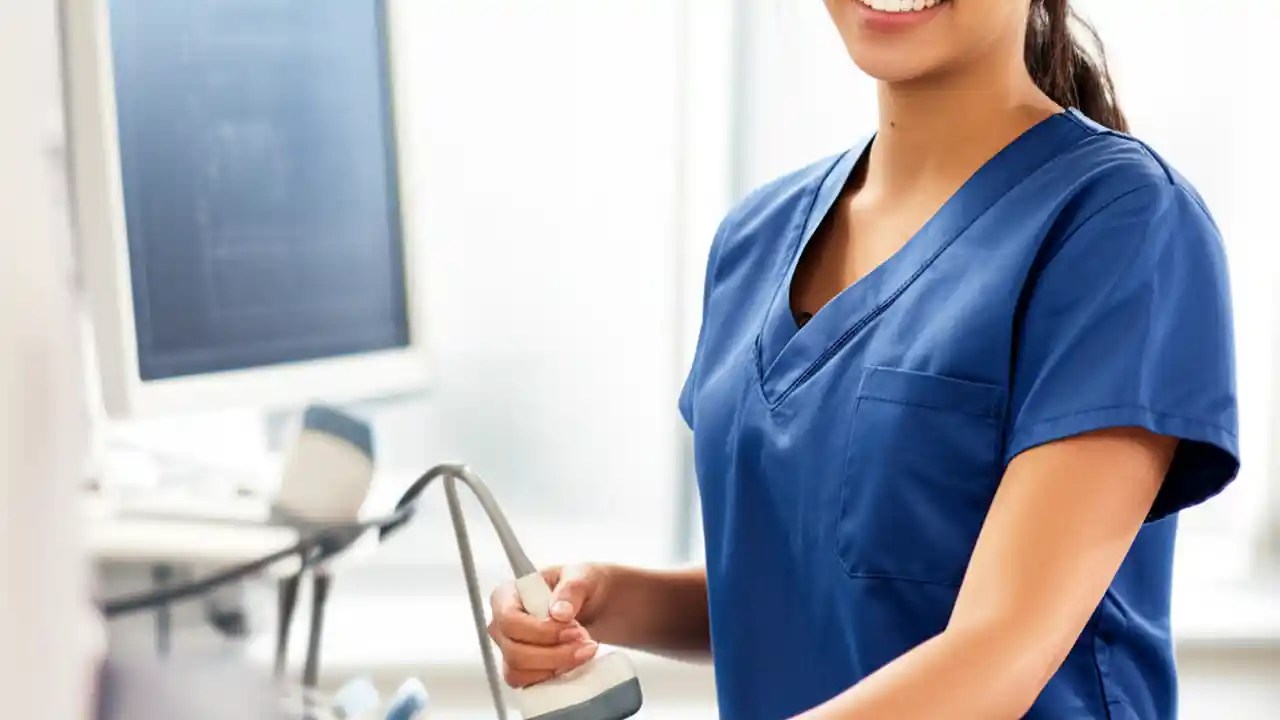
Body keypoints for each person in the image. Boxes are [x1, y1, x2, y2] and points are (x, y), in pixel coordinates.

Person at [488, 0, 1238, 717]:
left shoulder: (1123, 227)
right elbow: (822, 593)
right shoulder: (755, 239)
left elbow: (1000, 652)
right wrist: (612, 598)